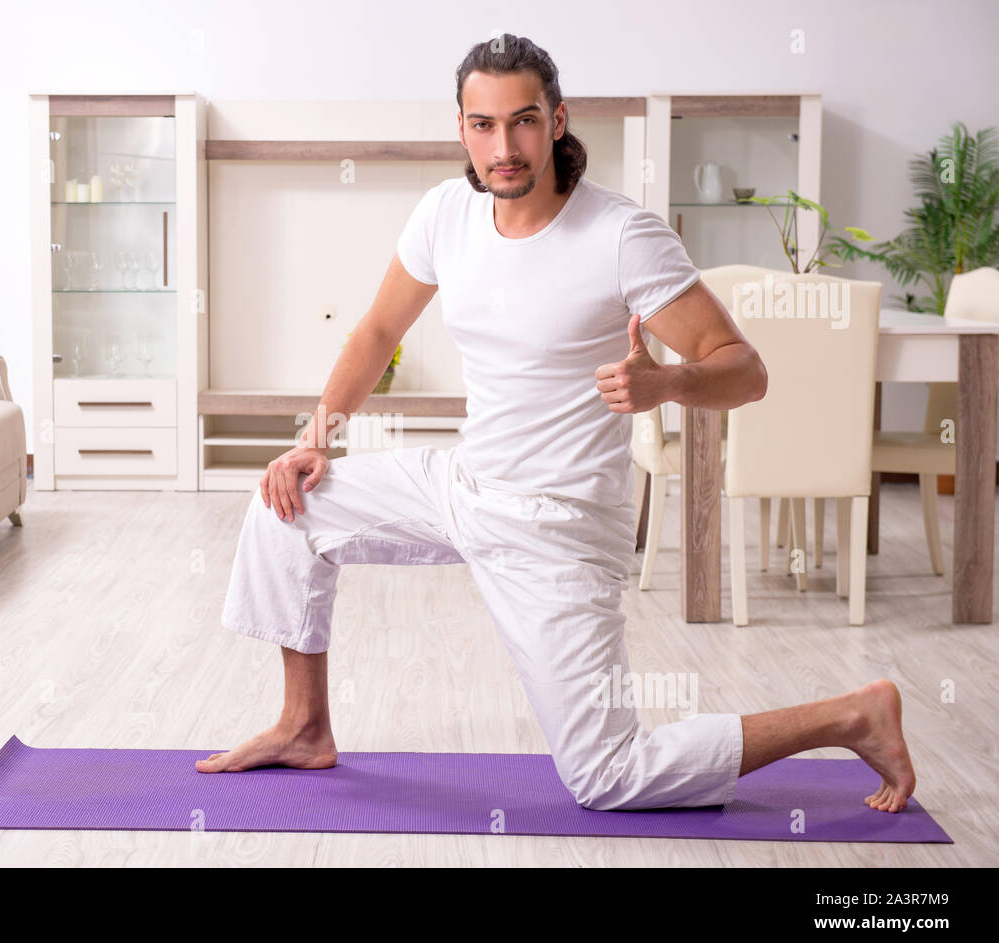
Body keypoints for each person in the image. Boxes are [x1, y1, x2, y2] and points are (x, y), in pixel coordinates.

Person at [197, 34, 916, 814]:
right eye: (482, 125)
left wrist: (665, 382)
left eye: (523, 121)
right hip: (464, 484)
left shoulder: (620, 235)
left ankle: (853, 714)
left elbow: (747, 369)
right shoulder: (447, 212)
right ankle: (304, 727)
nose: (502, 147)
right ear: (463, 130)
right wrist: (315, 442)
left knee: (608, 777)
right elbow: (376, 330)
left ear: (558, 120)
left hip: (558, 527)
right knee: (283, 507)